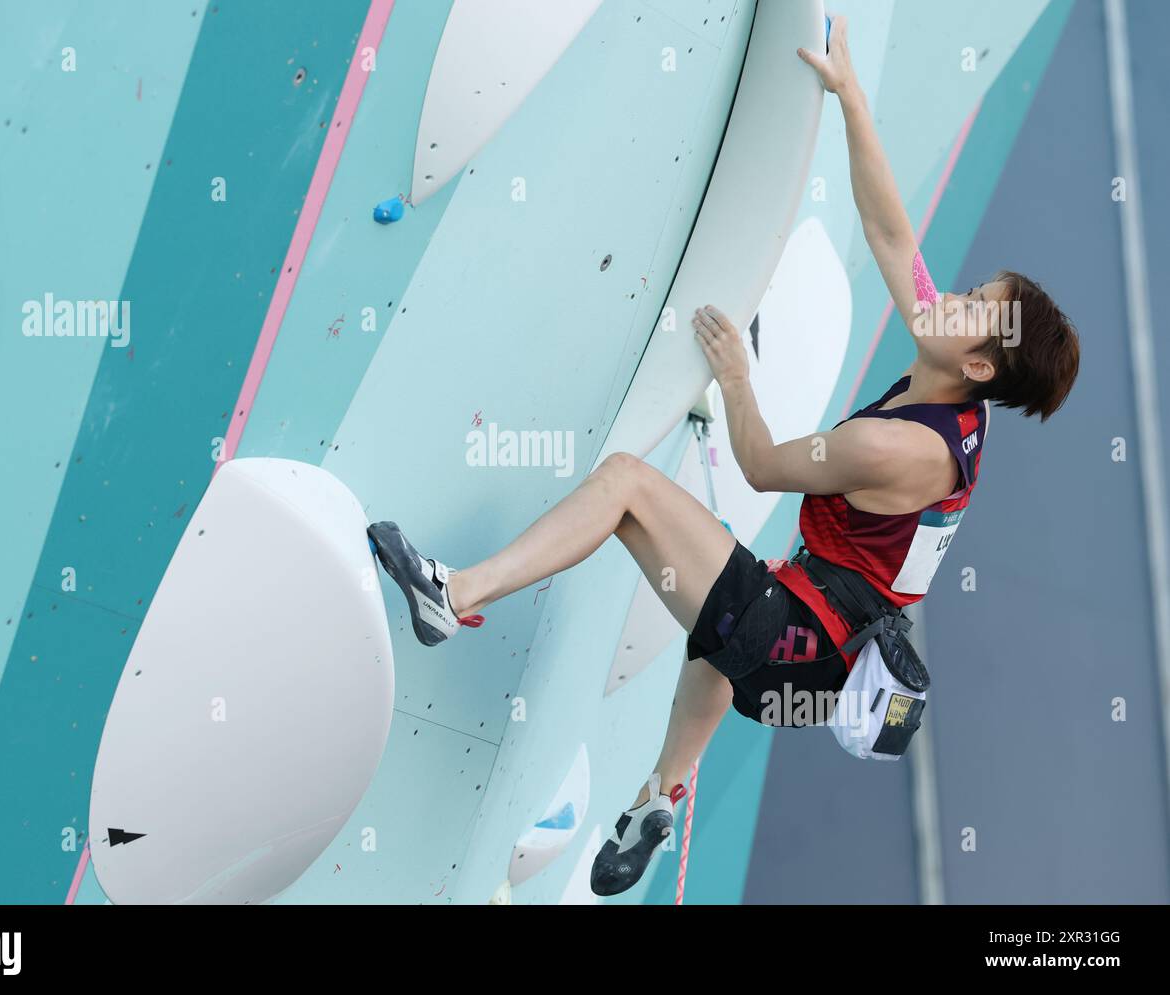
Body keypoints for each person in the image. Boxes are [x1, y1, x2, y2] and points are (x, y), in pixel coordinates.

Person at [368, 15, 1080, 897]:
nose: (953, 294)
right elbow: (894, 238)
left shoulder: (895, 447)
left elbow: (764, 466)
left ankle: (453, 594)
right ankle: (656, 798)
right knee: (720, 619)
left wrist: (737, 375)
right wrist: (853, 102)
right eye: (973, 290)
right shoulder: (960, 385)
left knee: (633, 491)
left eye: (973, 304)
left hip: (803, 647)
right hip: (815, 647)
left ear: (978, 363)